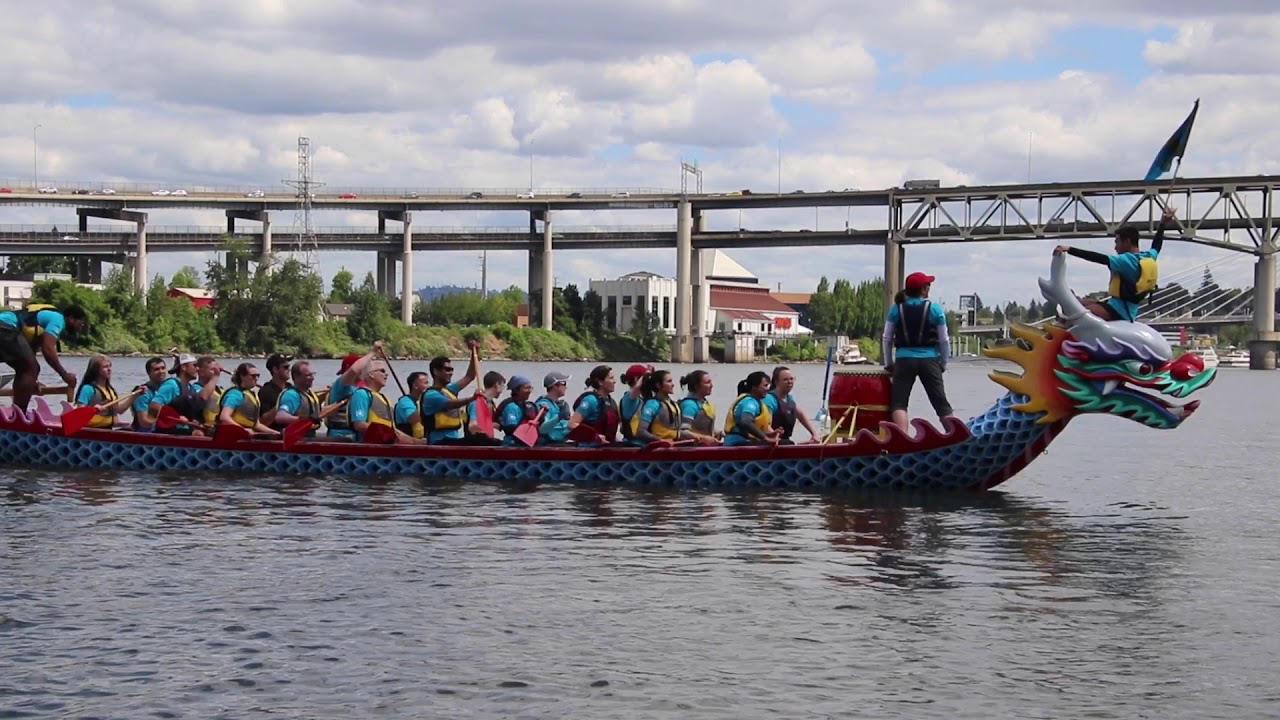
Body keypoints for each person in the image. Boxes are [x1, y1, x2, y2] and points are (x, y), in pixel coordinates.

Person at [1053, 205, 1175, 321]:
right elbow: (1157, 245)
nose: (1115, 247)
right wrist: (1162, 224)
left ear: (1127, 242)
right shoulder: (1148, 256)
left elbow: (1097, 257)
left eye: (1117, 242)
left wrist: (1069, 249)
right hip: (1120, 307)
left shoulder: (1125, 261)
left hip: (1119, 311)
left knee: (1072, 311)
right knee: (1077, 303)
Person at [882, 271, 953, 433]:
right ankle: (955, 435)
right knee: (941, 403)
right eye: (928, 285)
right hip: (929, 360)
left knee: (899, 404)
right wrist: (943, 363)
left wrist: (889, 363)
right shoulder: (935, 309)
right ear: (923, 290)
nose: (929, 287)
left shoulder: (896, 309)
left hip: (903, 360)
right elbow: (944, 340)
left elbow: (887, 338)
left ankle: (902, 438)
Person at [0, 303, 87, 411]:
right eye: (81, 323)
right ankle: (19, 414)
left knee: (27, 368)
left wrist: (32, 381)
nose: (81, 327)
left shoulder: (39, 326)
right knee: (30, 368)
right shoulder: (58, 319)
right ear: (71, 318)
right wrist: (64, 374)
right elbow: (48, 349)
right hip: (5, 327)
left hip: (5, 327)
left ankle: (16, 412)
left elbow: (29, 355)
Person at [420, 342, 481, 445]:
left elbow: (469, 376)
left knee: (480, 438)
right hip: (439, 442)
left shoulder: (449, 389)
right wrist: (472, 398)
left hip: (452, 439)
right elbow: (450, 404)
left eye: (452, 370)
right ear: (436, 371)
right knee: (477, 441)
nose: (451, 373)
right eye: (447, 370)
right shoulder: (431, 395)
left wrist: (475, 353)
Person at [348, 360, 422, 444]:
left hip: (387, 443)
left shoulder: (384, 398)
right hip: (369, 445)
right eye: (382, 371)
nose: (386, 374)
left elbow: (393, 430)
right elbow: (359, 424)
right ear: (371, 374)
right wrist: (386, 434)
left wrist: (415, 441)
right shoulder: (361, 394)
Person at [634, 370, 696, 446]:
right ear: (658, 385)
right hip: (659, 447)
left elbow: (676, 431)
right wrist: (660, 440)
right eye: (669, 381)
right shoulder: (653, 404)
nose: (673, 385)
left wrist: (694, 436)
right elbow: (641, 431)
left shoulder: (673, 403)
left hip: (675, 445)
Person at [217, 363, 279, 437]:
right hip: (230, 436)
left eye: (258, 376)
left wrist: (277, 433)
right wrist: (243, 430)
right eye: (253, 376)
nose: (256, 378)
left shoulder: (252, 395)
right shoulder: (235, 395)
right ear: (242, 376)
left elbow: (256, 425)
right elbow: (224, 417)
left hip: (245, 435)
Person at [73, 355, 135, 429]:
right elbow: (80, 412)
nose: (109, 369)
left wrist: (134, 396)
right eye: (105, 367)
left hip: (108, 429)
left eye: (110, 366)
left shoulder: (110, 390)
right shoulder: (88, 389)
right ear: (96, 370)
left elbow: (120, 410)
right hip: (92, 430)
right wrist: (92, 409)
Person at [764, 366, 820, 443]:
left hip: (785, 441)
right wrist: (775, 438)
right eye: (785, 380)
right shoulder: (769, 399)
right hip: (771, 442)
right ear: (776, 382)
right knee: (789, 443)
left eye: (791, 379)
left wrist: (814, 434)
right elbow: (765, 425)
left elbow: (801, 416)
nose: (789, 382)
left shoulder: (789, 398)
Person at [723, 371, 780, 446]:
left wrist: (771, 434)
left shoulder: (758, 402)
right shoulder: (749, 402)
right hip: (737, 443)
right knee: (787, 443)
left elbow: (751, 432)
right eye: (765, 385)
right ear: (754, 387)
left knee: (784, 442)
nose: (768, 389)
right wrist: (765, 438)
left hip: (747, 440)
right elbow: (746, 421)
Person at [567, 365, 620, 444]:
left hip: (607, 447)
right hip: (589, 447)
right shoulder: (591, 401)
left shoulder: (611, 402)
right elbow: (572, 424)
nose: (614, 381)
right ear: (600, 382)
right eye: (611, 378)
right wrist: (595, 436)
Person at [678, 370, 722, 445]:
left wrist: (720, 433)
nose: (711, 385)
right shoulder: (690, 405)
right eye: (707, 383)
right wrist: (704, 438)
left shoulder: (704, 403)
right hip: (690, 449)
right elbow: (683, 432)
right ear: (696, 386)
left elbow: (702, 428)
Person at [130, 357, 170, 431]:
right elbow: (144, 422)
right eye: (156, 369)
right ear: (149, 373)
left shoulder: (166, 390)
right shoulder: (143, 393)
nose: (161, 371)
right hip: (145, 432)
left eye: (163, 368)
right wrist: (166, 423)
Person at [496, 375, 537, 446]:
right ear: (516, 390)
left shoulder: (527, 405)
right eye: (526, 388)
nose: (529, 391)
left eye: (530, 388)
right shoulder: (511, 406)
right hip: (512, 443)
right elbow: (511, 429)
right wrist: (527, 425)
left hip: (524, 443)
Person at [534, 371, 573, 445]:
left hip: (559, 442)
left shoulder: (559, 405)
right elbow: (542, 429)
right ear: (555, 385)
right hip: (547, 444)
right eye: (564, 383)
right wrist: (559, 417)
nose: (566, 387)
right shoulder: (543, 405)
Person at [466, 371, 506, 441]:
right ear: (497, 385)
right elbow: (472, 426)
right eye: (502, 386)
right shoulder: (476, 402)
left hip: (487, 440)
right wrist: (491, 425)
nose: (502, 390)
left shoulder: (490, 403)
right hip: (475, 442)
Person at [618, 364, 651, 442]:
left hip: (641, 441)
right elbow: (637, 387)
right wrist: (647, 373)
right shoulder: (629, 397)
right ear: (636, 379)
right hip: (632, 442)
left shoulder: (640, 398)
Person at [393, 371, 430, 440]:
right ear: (415, 386)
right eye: (426, 383)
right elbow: (412, 419)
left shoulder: (421, 401)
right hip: (410, 442)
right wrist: (429, 406)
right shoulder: (405, 401)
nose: (429, 386)